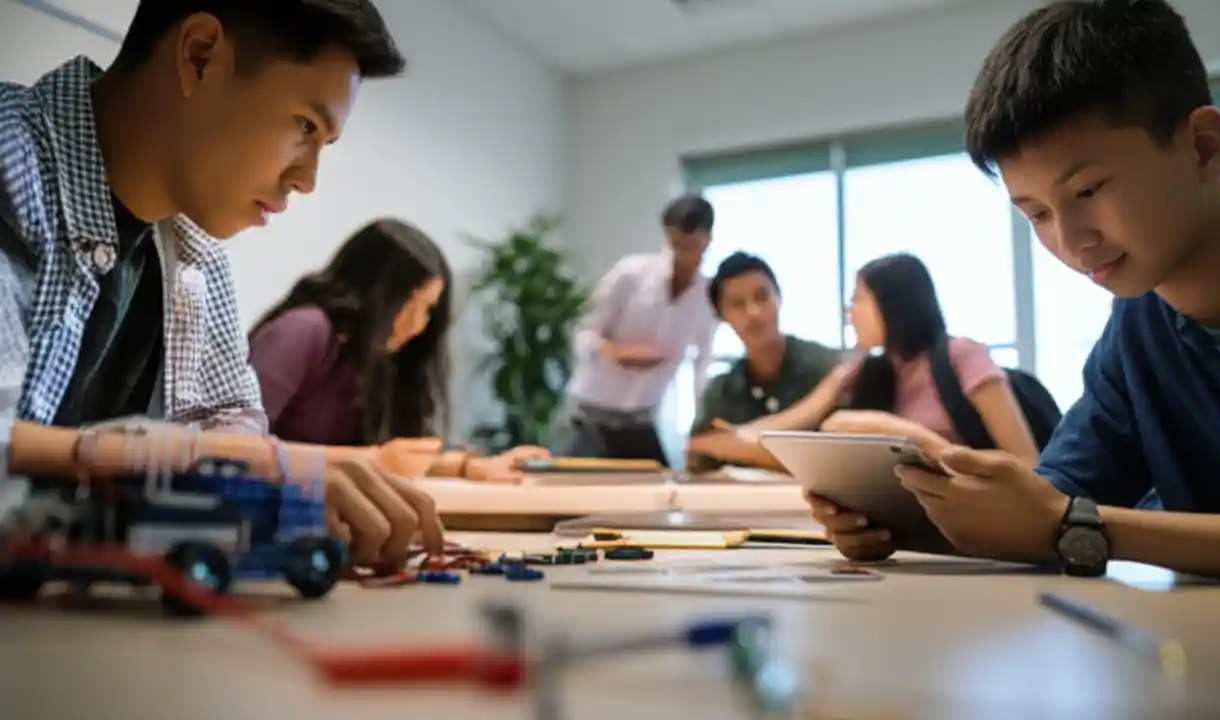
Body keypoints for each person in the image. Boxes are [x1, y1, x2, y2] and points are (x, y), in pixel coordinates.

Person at [811, 0, 1220, 583]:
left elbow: (1064, 520)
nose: (1071, 241)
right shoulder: (1137, 328)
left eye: (1088, 191)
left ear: (1203, 147)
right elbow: (1047, 507)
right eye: (1036, 213)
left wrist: (1080, 527)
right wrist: (897, 521)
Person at [0, 0, 448, 566]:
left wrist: (274, 476)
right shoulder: (11, 158)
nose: (307, 179)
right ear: (200, 55)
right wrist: (261, 465)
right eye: (305, 126)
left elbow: (236, 442)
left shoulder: (198, 258)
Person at [249, 218, 549, 481]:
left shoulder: (381, 359)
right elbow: (240, 448)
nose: (418, 325)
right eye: (410, 304)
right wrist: (373, 461)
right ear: (376, 293)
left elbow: (397, 458)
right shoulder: (304, 329)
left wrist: (469, 466)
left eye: (428, 310)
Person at [705, 253, 1038, 468]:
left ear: (892, 304)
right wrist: (739, 435)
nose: (849, 314)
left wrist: (905, 435)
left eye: (858, 300)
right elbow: (806, 414)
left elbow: (1026, 463)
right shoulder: (868, 369)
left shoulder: (961, 356)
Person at [557, 194, 718, 463]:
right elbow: (583, 334)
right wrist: (617, 353)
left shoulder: (707, 297)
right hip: (588, 415)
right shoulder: (630, 274)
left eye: (691, 245)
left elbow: (702, 364)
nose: (682, 255)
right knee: (567, 485)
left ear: (708, 240)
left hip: (641, 421)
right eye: (675, 244)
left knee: (661, 484)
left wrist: (703, 422)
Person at [685, 252, 843, 471]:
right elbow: (699, 454)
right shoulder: (721, 391)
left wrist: (737, 447)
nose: (753, 312)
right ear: (720, 315)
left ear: (779, 297)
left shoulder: (831, 369)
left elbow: (847, 458)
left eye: (762, 297)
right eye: (737, 304)